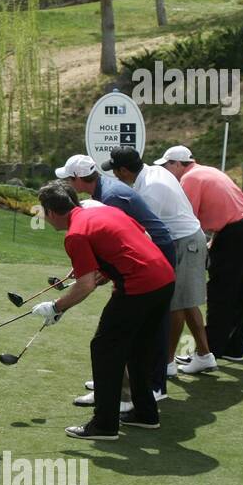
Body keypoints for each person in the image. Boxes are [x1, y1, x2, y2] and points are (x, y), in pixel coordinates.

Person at [33, 181, 176, 441]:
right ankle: (146, 414)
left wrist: (56, 308)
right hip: (164, 279)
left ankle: (104, 425)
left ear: (51, 212)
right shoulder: (104, 210)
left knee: (104, 347)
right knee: (138, 348)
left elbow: (85, 285)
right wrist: (111, 272)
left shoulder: (75, 234)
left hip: (139, 286)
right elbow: (141, 239)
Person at [57, 153, 175, 408]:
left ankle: (147, 389)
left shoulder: (109, 198)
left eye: (67, 179)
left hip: (150, 259)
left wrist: (60, 304)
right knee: (129, 332)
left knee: (126, 333)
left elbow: (118, 246)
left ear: (78, 179)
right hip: (148, 260)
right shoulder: (100, 194)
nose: (66, 184)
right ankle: (123, 388)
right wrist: (87, 268)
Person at [103, 147, 215, 378]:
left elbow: (145, 233)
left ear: (123, 170)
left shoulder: (151, 189)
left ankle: (167, 362)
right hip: (186, 239)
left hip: (185, 242)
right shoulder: (152, 172)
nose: (114, 175)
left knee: (176, 304)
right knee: (185, 301)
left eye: (115, 170)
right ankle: (204, 356)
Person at [155, 146, 243, 362]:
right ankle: (233, 348)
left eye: (167, 166)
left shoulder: (189, 179)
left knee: (220, 290)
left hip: (233, 232)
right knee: (241, 290)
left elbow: (187, 219)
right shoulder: (208, 170)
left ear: (177, 164)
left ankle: (209, 350)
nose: (166, 171)